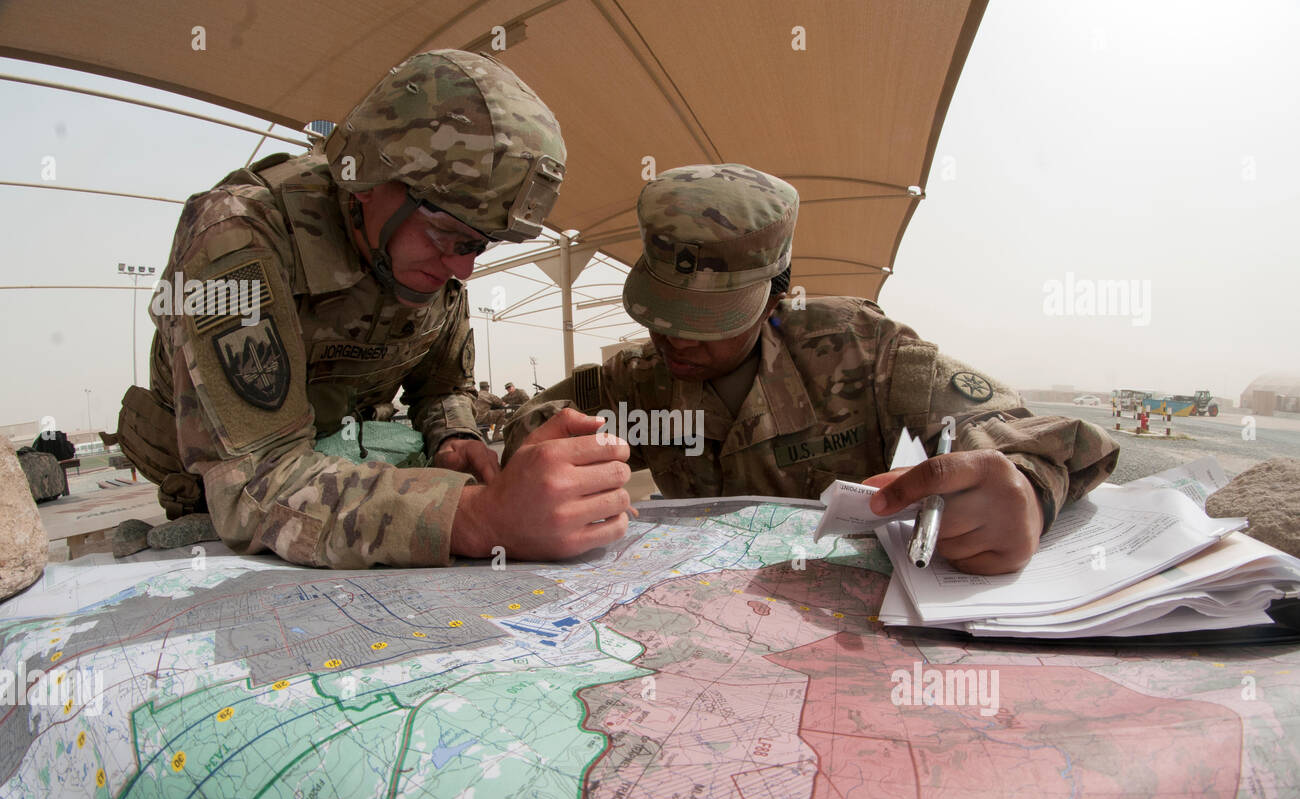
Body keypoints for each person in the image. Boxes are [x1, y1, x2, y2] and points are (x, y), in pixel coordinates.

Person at [115, 50, 631, 569]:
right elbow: (256, 482)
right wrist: (480, 517)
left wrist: (454, 436)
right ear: (370, 180)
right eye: (448, 235)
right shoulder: (237, 238)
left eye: (480, 245)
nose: (464, 268)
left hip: (345, 476)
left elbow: (444, 385)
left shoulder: (432, 261)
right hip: (227, 497)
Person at [504, 164, 1121, 575]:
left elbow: (1008, 427)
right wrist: (536, 460)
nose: (673, 336)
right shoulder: (637, 383)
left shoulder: (859, 346)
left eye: (708, 316)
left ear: (775, 298)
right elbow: (539, 425)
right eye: (663, 311)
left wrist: (1025, 490)